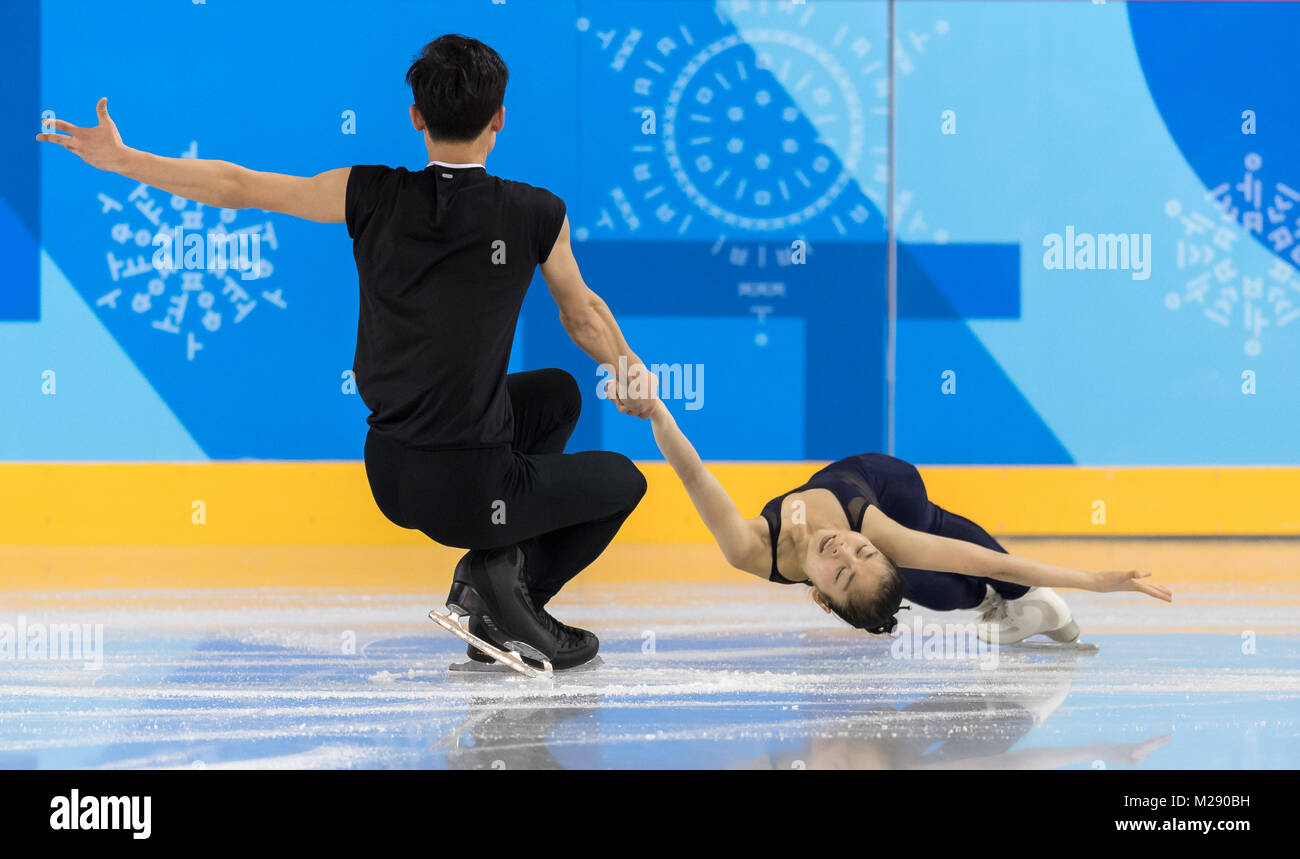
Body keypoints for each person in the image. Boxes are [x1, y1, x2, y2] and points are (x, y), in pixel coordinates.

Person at [37, 34, 657, 670]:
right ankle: (511, 600)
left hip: (390, 474)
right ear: (499, 117)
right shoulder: (536, 212)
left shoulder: (369, 193)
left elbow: (239, 187)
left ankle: (494, 573)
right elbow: (582, 314)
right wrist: (628, 372)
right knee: (623, 481)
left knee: (556, 394)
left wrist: (123, 159)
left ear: (416, 115)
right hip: (471, 485)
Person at [639, 399, 1172, 642]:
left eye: (854, 562)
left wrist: (656, 413)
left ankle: (1015, 600)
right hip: (881, 496)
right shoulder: (869, 540)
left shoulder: (753, 548)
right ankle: (1003, 601)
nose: (843, 551)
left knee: (926, 559)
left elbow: (691, 473)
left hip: (891, 486)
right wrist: (1099, 582)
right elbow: (974, 561)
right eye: (857, 560)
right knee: (916, 575)